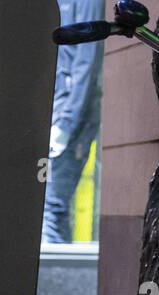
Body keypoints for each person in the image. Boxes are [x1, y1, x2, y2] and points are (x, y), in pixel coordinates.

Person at [42, 0, 104, 244]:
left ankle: (53, 277)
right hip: (58, 111)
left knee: (50, 207)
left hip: (69, 117)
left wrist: (66, 123)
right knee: (51, 208)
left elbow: (86, 62)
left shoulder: (87, 2)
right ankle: (58, 275)